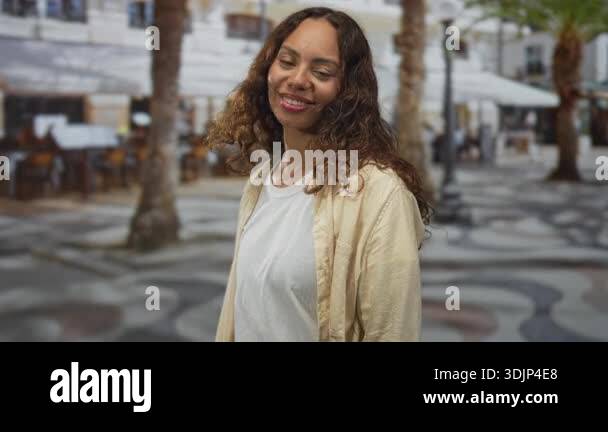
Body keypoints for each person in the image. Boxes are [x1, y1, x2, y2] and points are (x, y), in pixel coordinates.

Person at [207, 7, 431, 342]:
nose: (297, 80)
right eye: (286, 61)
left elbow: (392, 331)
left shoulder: (380, 195)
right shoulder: (264, 178)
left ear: (348, 92)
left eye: (322, 72)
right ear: (268, 69)